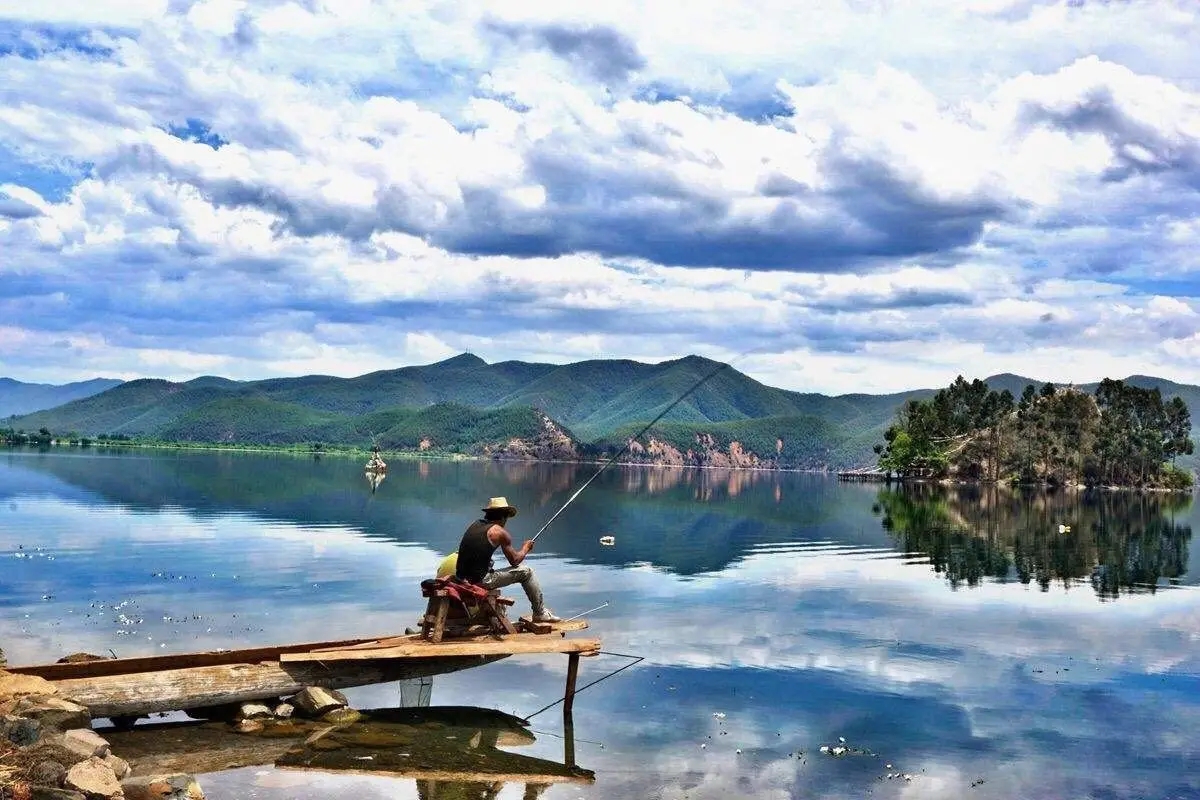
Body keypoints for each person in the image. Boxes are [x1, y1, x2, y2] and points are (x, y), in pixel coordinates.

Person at [455, 496, 561, 623]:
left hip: (460, 577)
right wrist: (526, 548)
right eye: (507, 517)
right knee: (527, 572)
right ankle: (540, 613)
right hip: (478, 581)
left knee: (491, 564)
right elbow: (515, 561)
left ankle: (488, 616)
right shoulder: (499, 532)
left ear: (488, 514)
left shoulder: (475, 524)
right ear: (503, 517)